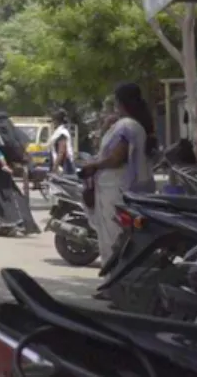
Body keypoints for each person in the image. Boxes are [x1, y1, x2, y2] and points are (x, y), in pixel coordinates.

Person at [81, 82, 158, 266]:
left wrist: (93, 165)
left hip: (116, 189)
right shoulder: (135, 125)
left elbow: (116, 158)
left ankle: (112, 284)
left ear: (120, 102)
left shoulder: (126, 126)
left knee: (113, 237)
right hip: (129, 188)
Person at [49, 109, 76, 175]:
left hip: (64, 166)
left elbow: (61, 152)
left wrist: (55, 167)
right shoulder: (59, 132)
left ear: (57, 121)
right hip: (60, 164)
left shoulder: (62, 133)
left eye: (53, 120)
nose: (52, 123)